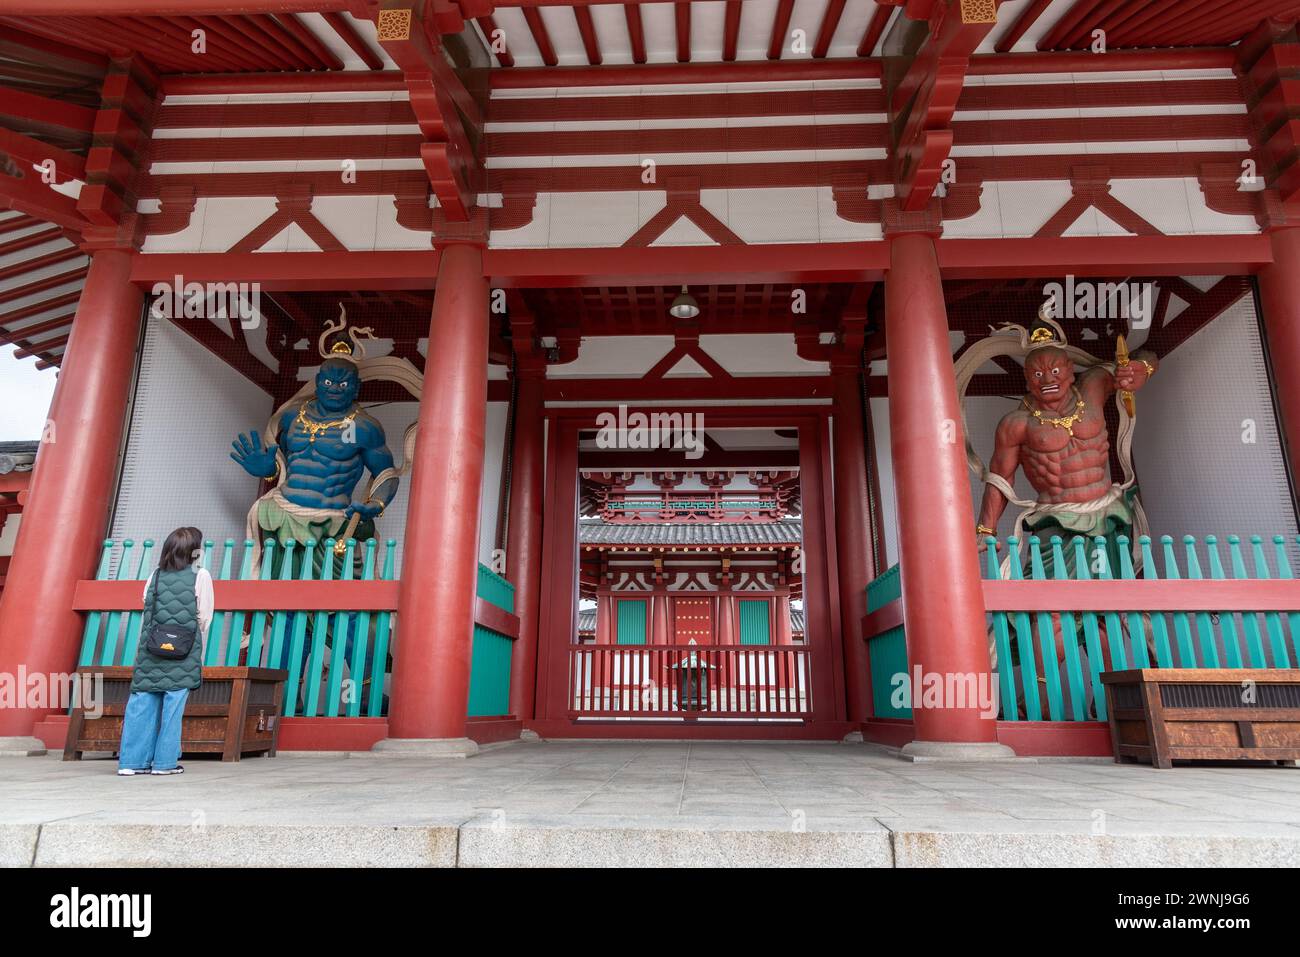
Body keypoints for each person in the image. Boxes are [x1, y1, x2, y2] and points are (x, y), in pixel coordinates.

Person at [117, 526, 214, 776]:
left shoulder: (155, 575)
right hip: (182, 650)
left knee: (141, 702)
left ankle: (131, 762)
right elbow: (203, 617)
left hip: (151, 648)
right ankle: (164, 763)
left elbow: (146, 605)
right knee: (173, 707)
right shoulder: (200, 576)